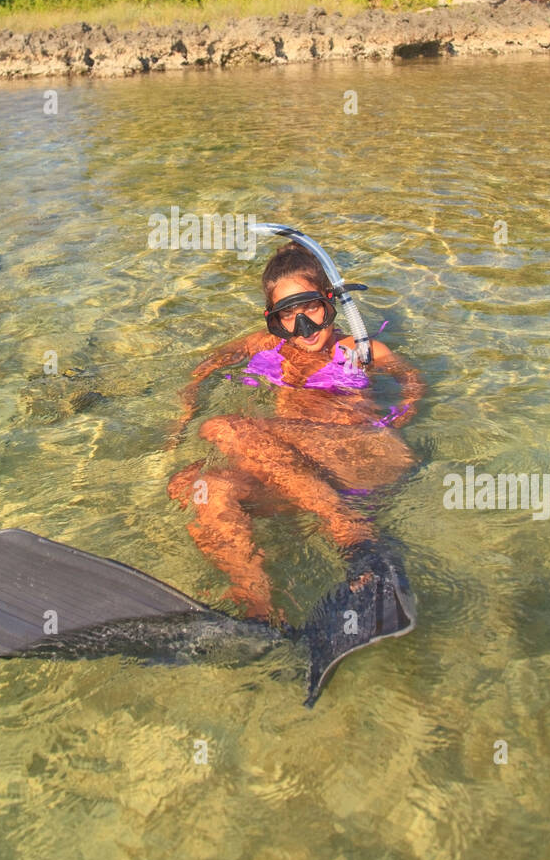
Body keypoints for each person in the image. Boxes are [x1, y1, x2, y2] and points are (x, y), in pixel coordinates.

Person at [167, 240, 425, 620]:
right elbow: (204, 368)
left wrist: (401, 417)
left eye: (312, 309)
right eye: (289, 315)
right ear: (272, 317)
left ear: (329, 301)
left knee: (224, 426)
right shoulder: (264, 344)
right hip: (303, 475)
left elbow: (412, 382)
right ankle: (257, 607)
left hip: (356, 459)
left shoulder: (359, 349)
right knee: (201, 487)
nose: (304, 327)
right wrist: (185, 409)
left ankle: (354, 535)